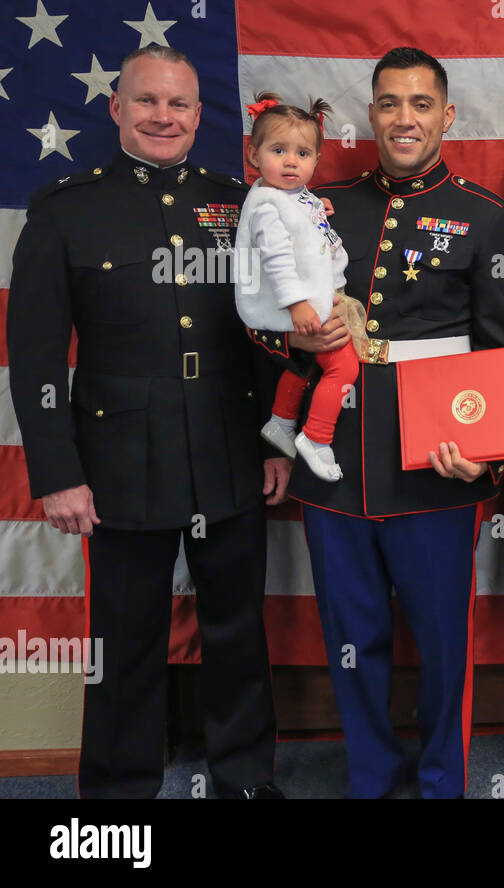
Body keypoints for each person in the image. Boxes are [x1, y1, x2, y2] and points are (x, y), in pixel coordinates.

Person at [6, 46, 286, 798]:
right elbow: (33, 359)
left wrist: (275, 440)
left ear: (200, 114)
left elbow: (263, 334)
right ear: (118, 108)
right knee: (126, 643)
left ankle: (245, 782)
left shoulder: (241, 201)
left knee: (237, 633)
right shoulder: (66, 208)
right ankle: (118, 798)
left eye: (180, 104)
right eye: (148, 101)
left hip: (229, 445)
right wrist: (58, 472)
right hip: (119, 458)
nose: (164, 116)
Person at [250, 47, 504, 799]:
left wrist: (491, 458)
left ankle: (442, 784)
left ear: (447, 116)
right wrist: (290, 341)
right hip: (333, 460)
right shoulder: (316, 204)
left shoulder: (485, 216)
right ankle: (370, 779)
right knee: (351, 639)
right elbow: (266, 314)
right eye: (391, 104)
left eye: (421, 103)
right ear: (371, 115)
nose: (405, 118)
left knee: (442, 645)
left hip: (438, 462)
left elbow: (503, 349)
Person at [234, 92, 359, 482]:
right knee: (344, 369)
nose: (291, 161)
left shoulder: (293, 198)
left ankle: (281, 421)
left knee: (302, 364)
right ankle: (317, 437)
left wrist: (315, 209)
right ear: (254, 156)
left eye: (303, 154)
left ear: (316, 161)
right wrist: (297, 304)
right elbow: (277, 261)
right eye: (278, 150)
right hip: (299, 304)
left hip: (314, 299)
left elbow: (304, 226)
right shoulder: (269, 206)